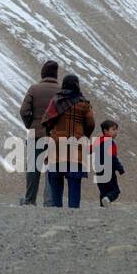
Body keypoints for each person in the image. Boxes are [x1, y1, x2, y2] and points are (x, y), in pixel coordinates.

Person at [41, 74, 95, 208]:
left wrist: (52, 129)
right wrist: (84, 135)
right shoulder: (84, 103)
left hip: (58, 145)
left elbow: (48, 120)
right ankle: (73, 209)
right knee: (74, 179)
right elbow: (91, 123)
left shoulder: (56, 100)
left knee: (56, 177)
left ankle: (57, 207)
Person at [18, 60, 61, 205]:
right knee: (52, 168)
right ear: (56, 74)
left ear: (43, 73)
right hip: (55, 137)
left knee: (32, 169)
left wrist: (31, 125)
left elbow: (23, 111)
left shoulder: (34, 89)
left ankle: (30, 200)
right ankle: (49, 202)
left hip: (35, 135)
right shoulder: (61, 91)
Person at [94, 119, 125, 206]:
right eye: (113, 129)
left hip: (98, 170)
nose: (116, 132)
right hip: (108, 170)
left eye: (116, 129)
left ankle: (103, 207)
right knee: (115, 190)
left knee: (103, 191)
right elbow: (113, 158)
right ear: (105, 131)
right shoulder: (111, 144)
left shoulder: (98, 141)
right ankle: (108, 199)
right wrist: (120, 168)